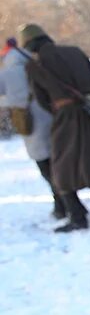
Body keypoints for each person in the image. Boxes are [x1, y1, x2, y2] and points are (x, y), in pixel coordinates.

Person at [18, 23, 90, 231]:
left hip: (66, 118)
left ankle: (78, 217)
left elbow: (42, 100)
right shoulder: (75, 52)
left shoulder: (35, 65)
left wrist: (61, 109)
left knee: (61, 169)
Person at [0, 37, 63, 218]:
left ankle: (62, 205)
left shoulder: (9, 73)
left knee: (46, 168)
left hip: (32, 123)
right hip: (51, 118)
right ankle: (64, 203)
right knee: (56, 164)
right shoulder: (38, 66)